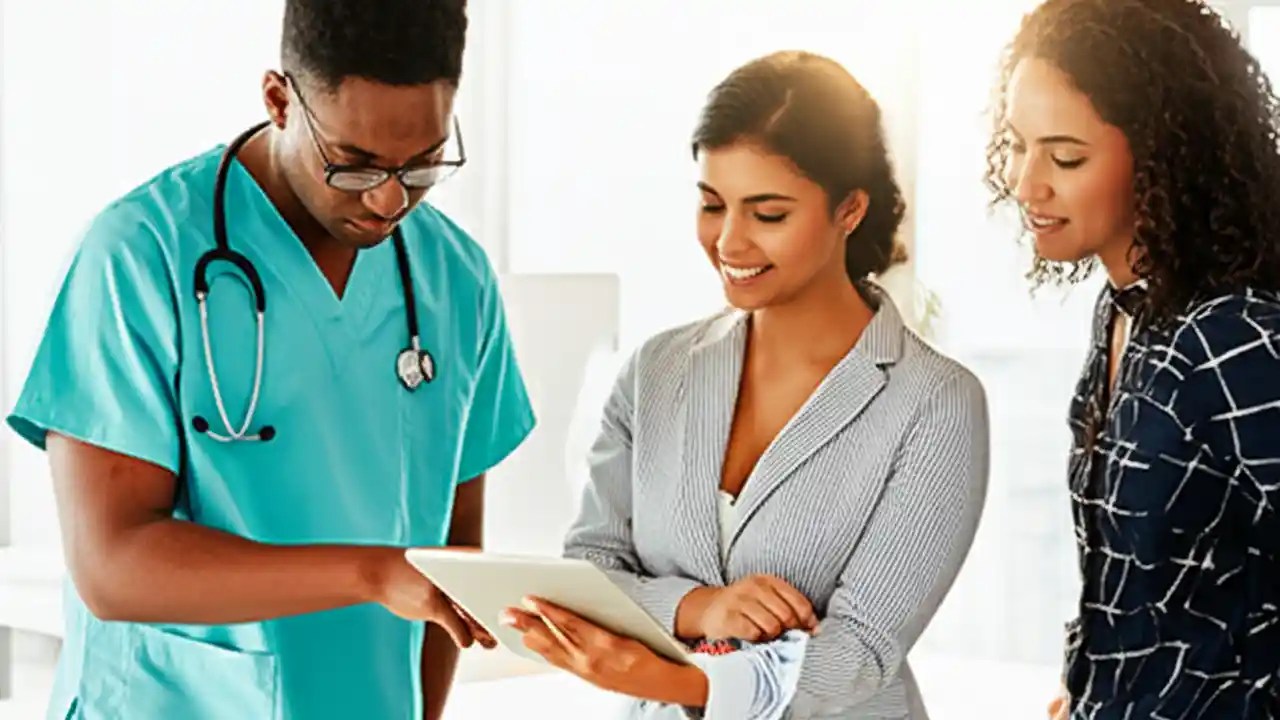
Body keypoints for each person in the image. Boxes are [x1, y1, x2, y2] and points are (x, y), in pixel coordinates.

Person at [5, 1, 535, 719]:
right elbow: (112, 566)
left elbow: (451, 557)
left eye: (423, 163)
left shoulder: (454, 277)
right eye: (354, 164)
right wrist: (372, 574)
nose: (388, 199)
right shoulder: (139, 253)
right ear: (279, 100)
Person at [500, 50, 990, 719]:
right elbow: (590, 572)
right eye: (712, 204)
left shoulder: (935, 403)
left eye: (768, 213)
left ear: (849, 209)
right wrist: (703, 608)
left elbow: (861, 652)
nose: (729, 241)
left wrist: (673, 678)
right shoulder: (658, 369)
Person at [985, 1, 1280, 717]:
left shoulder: (1234, 337)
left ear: (1162, 157)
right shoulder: (1123, 313)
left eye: (1066, 156)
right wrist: (1088, 689)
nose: (1027, 183)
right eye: (1018, 145)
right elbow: (1139, 583)